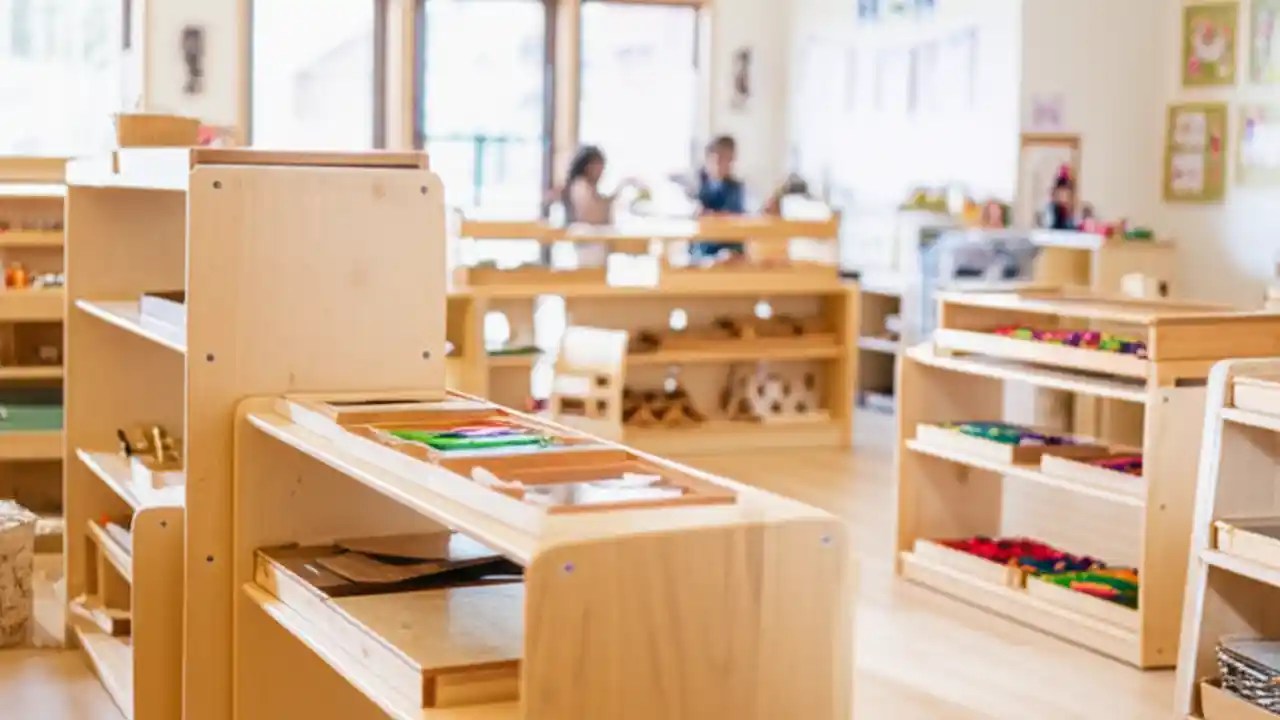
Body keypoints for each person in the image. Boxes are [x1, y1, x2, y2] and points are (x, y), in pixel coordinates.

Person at [691, 135, 747, 258]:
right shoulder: (703, 186)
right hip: (704, 246)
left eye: (728, 159)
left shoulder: (735, 188)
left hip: (728, 246)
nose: (722, 164)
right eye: (718, 159)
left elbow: (733, 216)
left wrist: (709, 215)